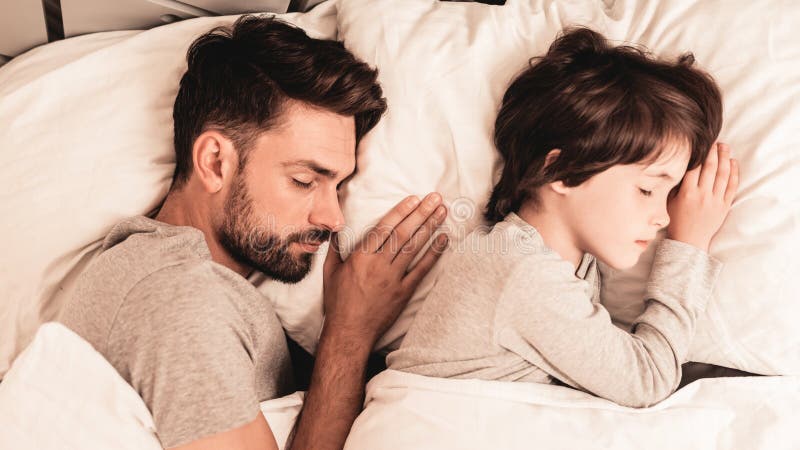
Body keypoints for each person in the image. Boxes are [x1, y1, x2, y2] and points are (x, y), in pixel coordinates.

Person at [58, 15, 449, 450]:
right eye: (304, 180)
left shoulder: (179, 281)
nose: (333, 218)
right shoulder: (178, 299)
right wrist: (349, 332)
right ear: (215, 162)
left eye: (338, 186)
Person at [387, 27, 739, 408]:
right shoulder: (521, 271)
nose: (663, 217)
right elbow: (647, 380)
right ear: (562, 172)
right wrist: (688, 246)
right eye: (647, 190)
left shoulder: (559, 262)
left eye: (669, 194)